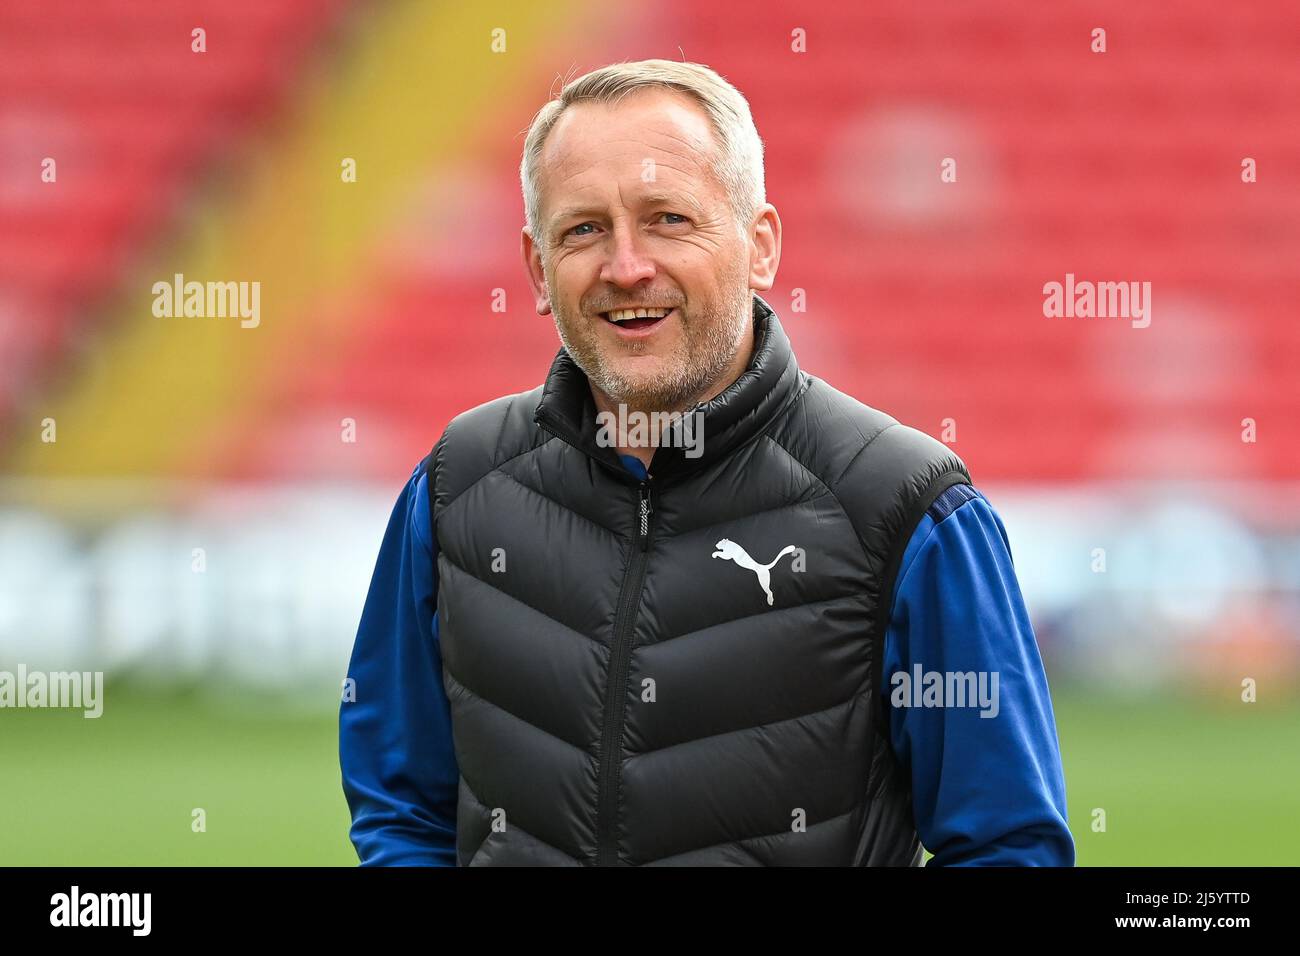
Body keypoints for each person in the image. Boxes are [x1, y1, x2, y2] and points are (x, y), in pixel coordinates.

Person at [339, 59, 1074, 866]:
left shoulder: (906, 507)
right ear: (536, 269)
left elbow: (1008, 845)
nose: (626, 267)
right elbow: (401, 807)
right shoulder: (455, 485)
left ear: (760, 246)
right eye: (583, 229)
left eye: (667, 219)